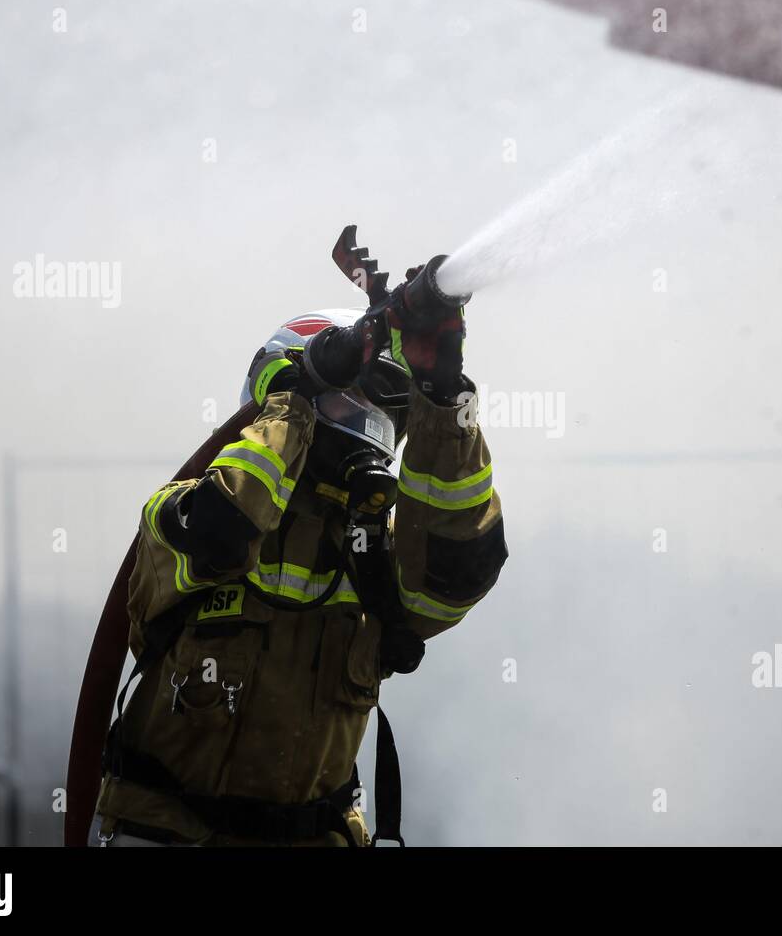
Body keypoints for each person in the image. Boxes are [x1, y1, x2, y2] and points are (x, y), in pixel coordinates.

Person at [89, 301, 507, 846]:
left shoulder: (374, 556)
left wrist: (443, 394)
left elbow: (461, 569)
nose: (360, 425)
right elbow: (223, 528)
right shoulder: (181, 513)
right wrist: (292, 405)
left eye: (376, 410)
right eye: (342, 401)